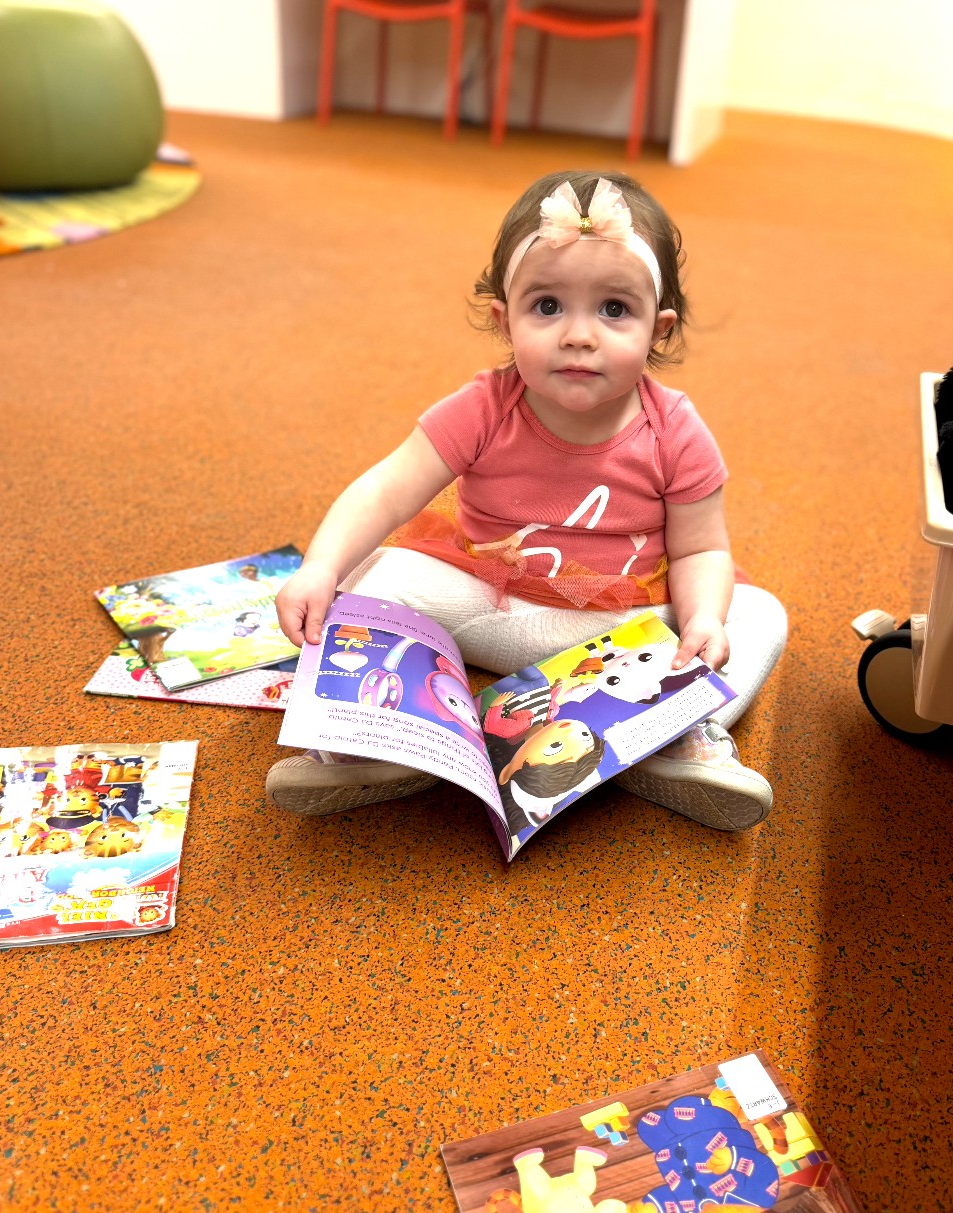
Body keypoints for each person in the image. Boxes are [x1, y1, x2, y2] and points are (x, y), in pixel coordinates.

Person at [268, 170, 787, 830]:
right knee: (369, 572)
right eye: (547, 306)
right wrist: (320, 567)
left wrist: (705, 619)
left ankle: (676, 737)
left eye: (613, 310)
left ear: (658, 330)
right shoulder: (483, 406)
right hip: (487, 601)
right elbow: (385, 490)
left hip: (612, 635)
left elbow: (704, 547)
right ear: (503, 318)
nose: (578, 334)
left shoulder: (676, 430)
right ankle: (384, 735)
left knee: (757, 616)